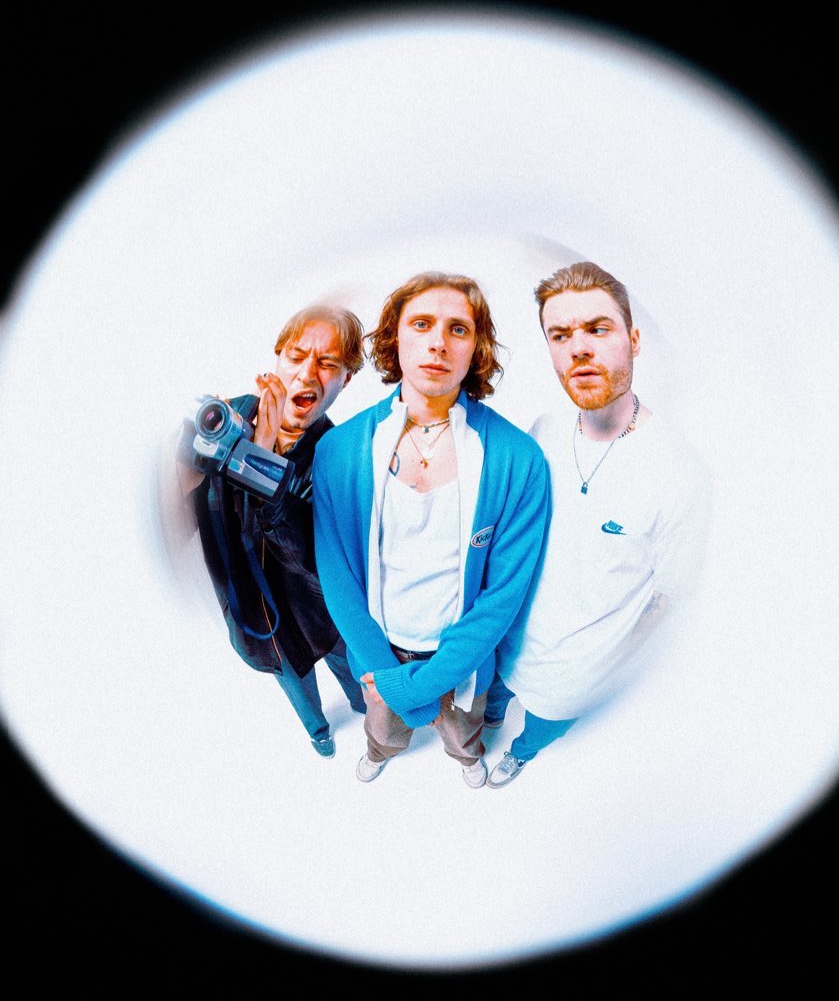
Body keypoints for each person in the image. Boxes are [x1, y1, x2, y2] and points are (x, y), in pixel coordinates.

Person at [311, 272, 550, 787]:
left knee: (463, 736)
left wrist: (425, 686)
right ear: (395, 337)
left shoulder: (518, 459)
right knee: (383, 730)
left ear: (476, 348)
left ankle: (467, 760)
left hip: (465, 658)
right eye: (421, 324)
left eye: (458, 329)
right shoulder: (338, 450)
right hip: (376, 656)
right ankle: (379, 753)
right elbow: (337, 577)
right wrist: (383, 675)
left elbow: (504, 595)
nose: (438, 341)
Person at [485, 261, 710, 788]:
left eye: (597, 329)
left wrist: (600, 669)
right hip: (504, 645)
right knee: (493, 701)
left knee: (535, 733)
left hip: (572, 681)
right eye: (560, 335)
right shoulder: (542, 430)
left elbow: (671, 599)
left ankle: (519, 752)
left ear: (633, 340)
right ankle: (493, 718)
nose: (578, 348)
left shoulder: (681, 475)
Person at [175, 304, 368, 758]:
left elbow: (313, 559)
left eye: (328, 364)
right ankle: (319, 732)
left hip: (321, 613)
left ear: (346, 380)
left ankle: (363, 706)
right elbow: (179, 517)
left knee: (348, 664)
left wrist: (264, 459)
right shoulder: (225, 419)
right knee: (295, 685)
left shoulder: (342, 456)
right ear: (277, 359)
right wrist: (187, 459)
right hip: (255, 619)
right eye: (296, 356)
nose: (307, 373)